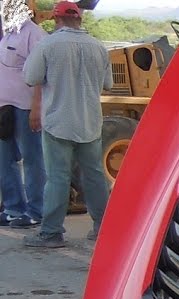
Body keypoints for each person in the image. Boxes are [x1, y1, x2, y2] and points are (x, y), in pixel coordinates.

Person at [22, 0, 111, 249]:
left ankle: (51, 232)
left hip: (58, 121)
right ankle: (103, 228)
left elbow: (30, 77)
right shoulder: (98, 47)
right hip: (90, 122)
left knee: (58, 178)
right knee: (94, 176)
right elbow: (108, 85)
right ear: (79, 19)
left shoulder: (47, 44)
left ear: (57, 19)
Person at [0, 0, 46, 228]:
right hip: (5, 107)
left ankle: (37, 210)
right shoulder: (8, 33)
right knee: (5, 159)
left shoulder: (34, 34)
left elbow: (40, 74)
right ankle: (13, 208)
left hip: (26, 107)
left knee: (32, 159)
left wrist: (37, 107)